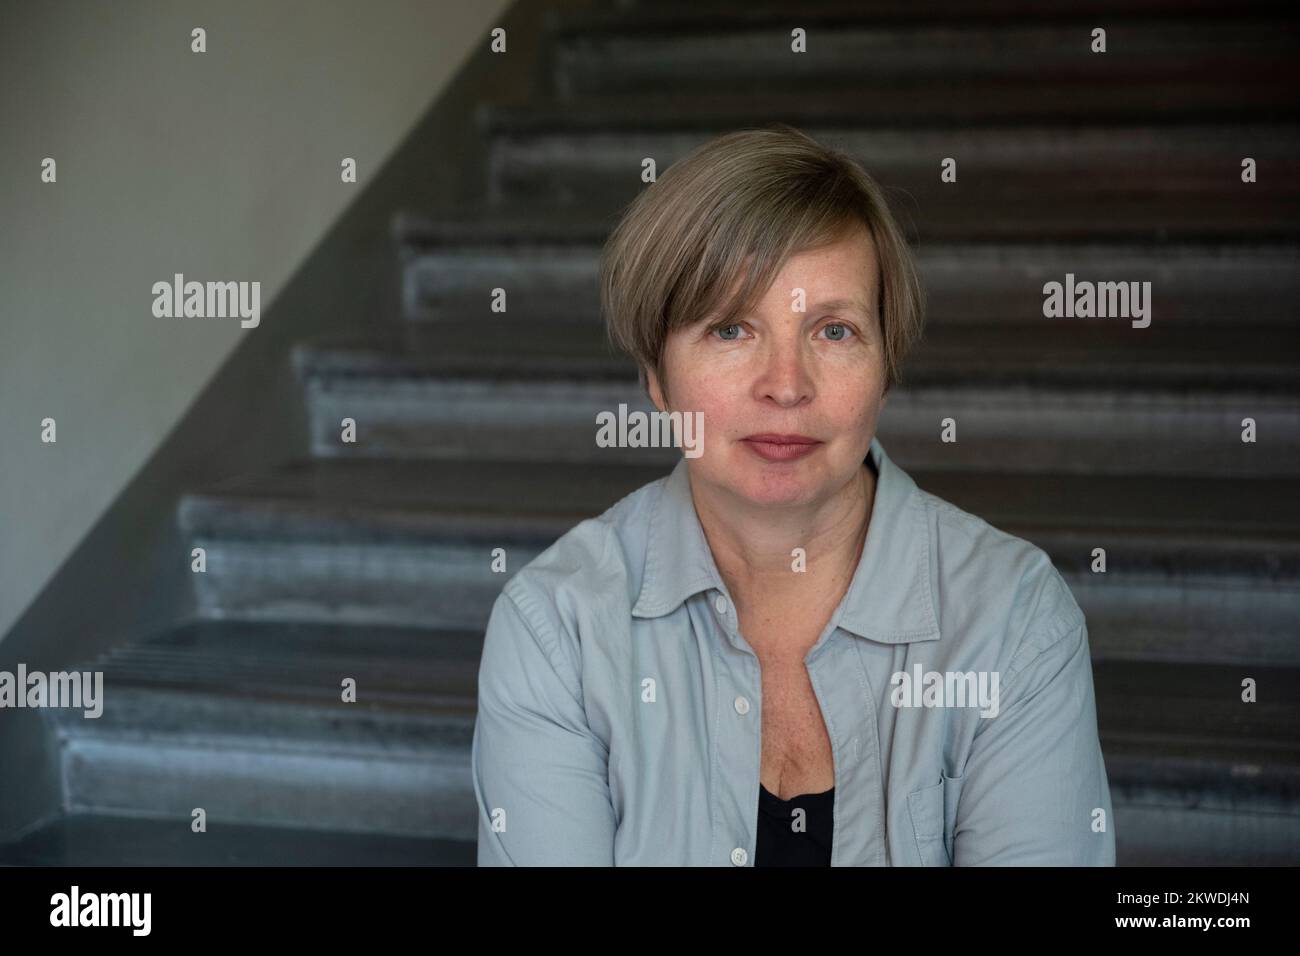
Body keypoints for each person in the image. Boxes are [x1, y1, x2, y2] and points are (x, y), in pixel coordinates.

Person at [470, 124, 1115, 866]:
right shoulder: (556, 630)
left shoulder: (1013, 619)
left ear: (885, 363)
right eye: (732, 328)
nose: (786, 384)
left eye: (833, 331)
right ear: (655, 376)